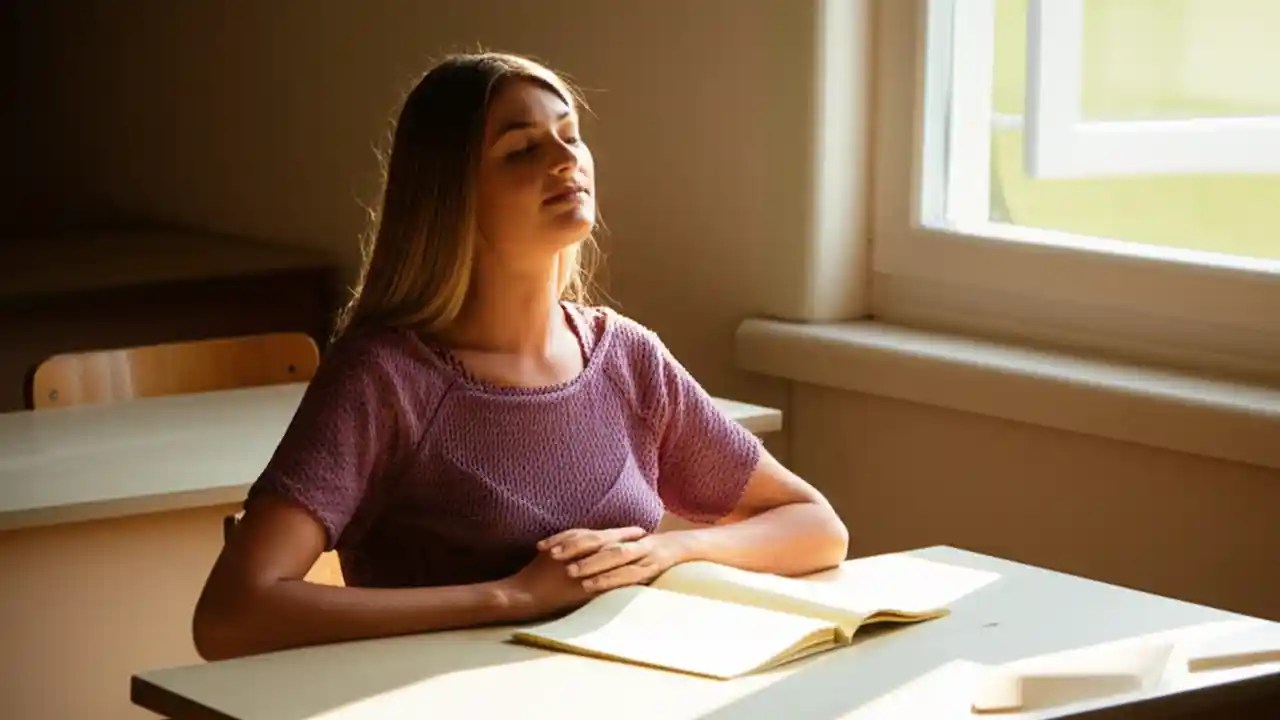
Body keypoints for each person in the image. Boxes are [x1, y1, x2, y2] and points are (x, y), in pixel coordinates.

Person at [192, 52, 848, 661]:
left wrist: (666, 553)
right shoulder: (384, 378)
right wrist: (515, 597)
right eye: (522, 149)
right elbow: (231, 614)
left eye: (570, 134)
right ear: (452, 194)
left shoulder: (627, 358)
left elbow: (816, 526)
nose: (567, 159)